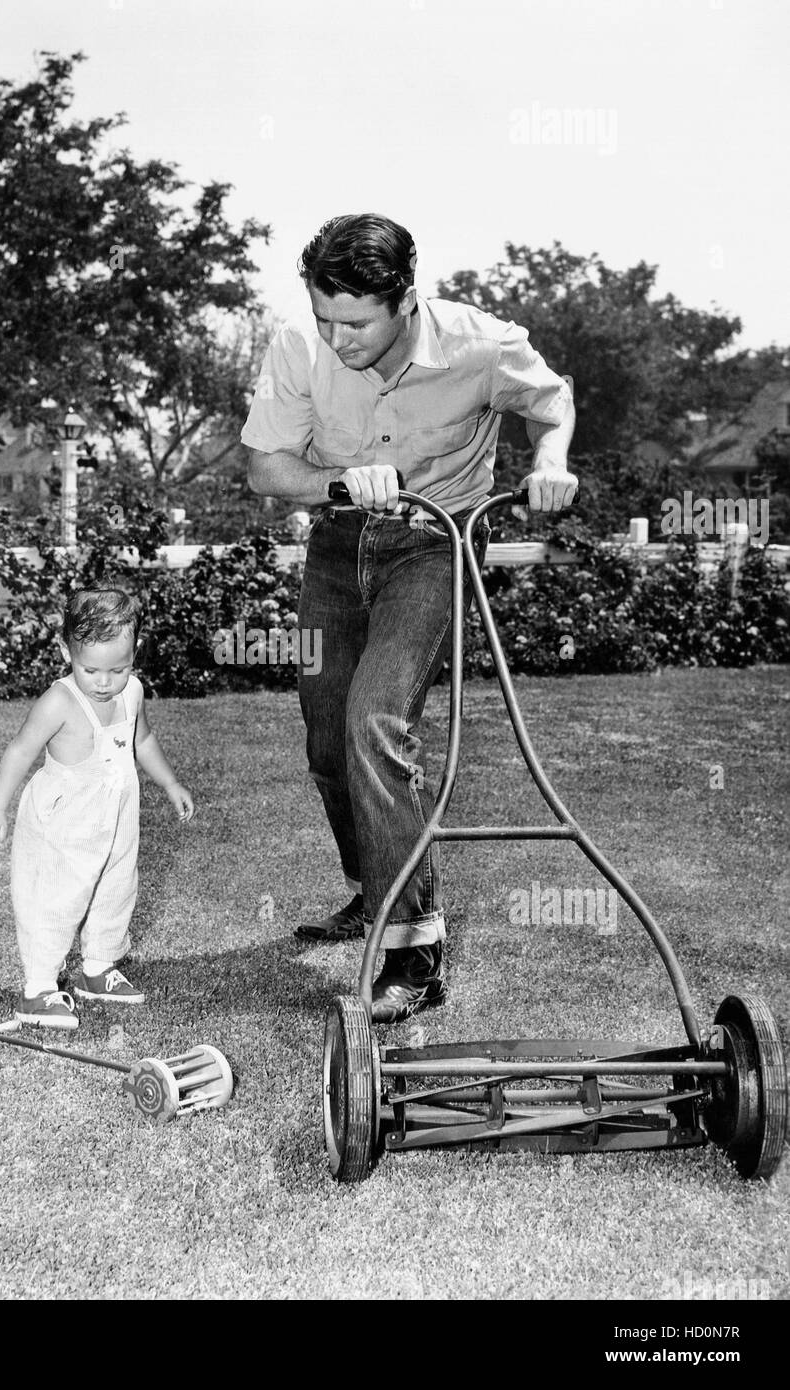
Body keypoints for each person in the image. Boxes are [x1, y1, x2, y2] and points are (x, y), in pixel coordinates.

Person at [242, 213, 577, 1023]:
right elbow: (265, 467)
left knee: (374, 722)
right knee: (327, 745)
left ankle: (414, 947)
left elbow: (551, 401)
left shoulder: (480, 345)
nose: (337, 337)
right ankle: (375, 890)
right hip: (335, 547)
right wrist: (337, 483)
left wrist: (549, 461)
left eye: (354, 322)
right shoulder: (297, 348)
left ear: (403, 300)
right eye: (325, 318)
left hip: (435, 545)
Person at [0, 588, 194, 1028]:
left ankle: (98, 967)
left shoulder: (132, 693)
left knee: (115, 889)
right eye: (89, 668)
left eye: (118, 668)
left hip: (116, 817)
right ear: (65, 651)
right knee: (56, 899)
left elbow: (143, 740)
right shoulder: (59, 701)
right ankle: (38, 988)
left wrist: (170, 782)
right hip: (63, 822)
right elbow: (20, 751)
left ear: (136, 653)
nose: (103, 681)